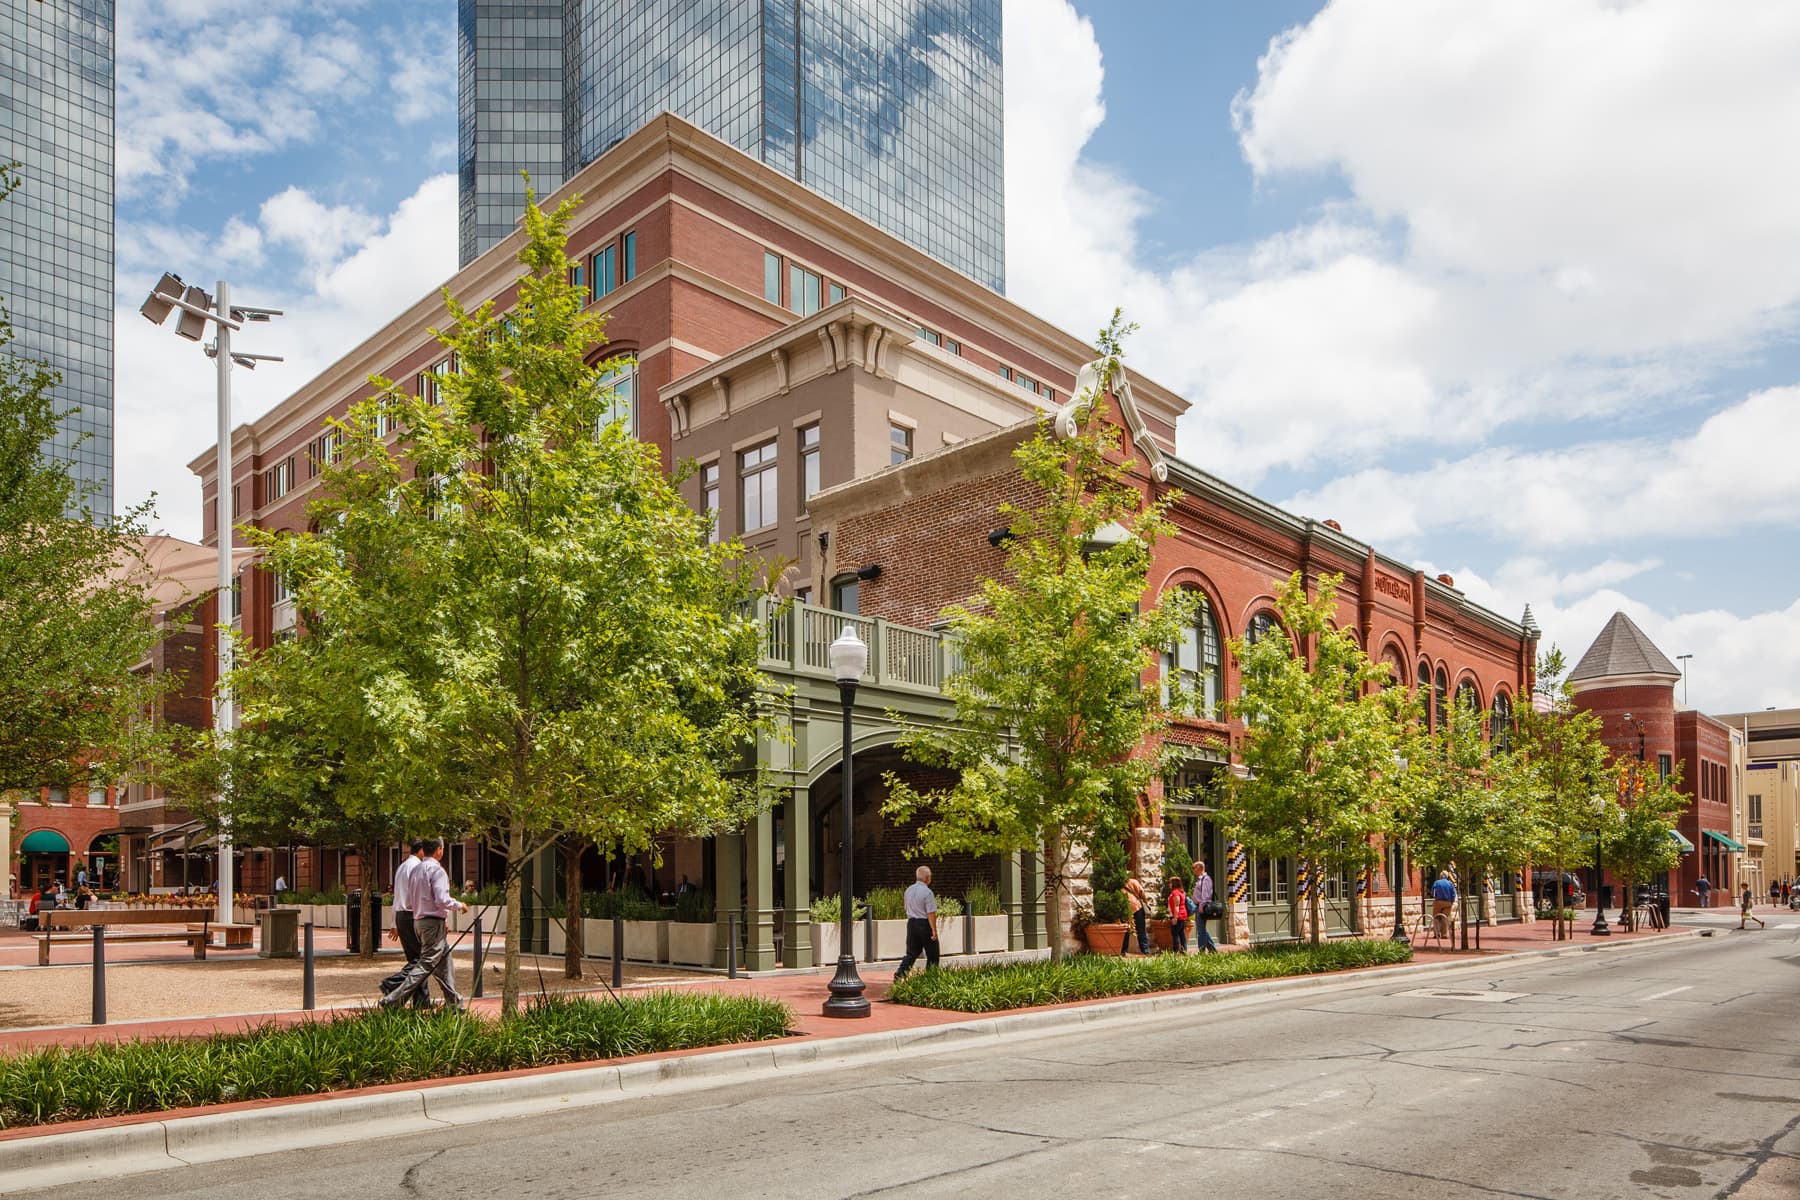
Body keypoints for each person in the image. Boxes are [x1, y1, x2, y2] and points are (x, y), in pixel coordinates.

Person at [381, 838, 468, 1011]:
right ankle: (392, 1000)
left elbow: (409, 898)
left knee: (445, 961)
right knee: (425, 964)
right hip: (431, 922)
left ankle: (454, 1003)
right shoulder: (437, 871)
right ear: (439, 850)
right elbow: (442, 899)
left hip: (418, 921)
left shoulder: (416, 869)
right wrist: (459, 905)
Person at [386, 839, 429, 1009]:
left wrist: (394, 922)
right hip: (412, 915)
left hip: (402, 916)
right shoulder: (416, 867)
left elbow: (397, 896)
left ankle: (422, 1001)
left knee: (416, 959)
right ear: (421, 851)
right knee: (421, 960)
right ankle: (392, 984)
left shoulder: (402, 867)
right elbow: (419, 894)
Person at [894, 865, 939, 979]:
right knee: (932, 954)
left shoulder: (908, 890)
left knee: (911, 953)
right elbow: (931, 913)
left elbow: (906, 908)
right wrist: (933, 930)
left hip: (911, 923)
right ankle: (931, 978)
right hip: (924, 923)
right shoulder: (928, 892)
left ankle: (899, 975)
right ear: (927, 878)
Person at [1190, 861, 1219, 953]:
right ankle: (1212, 950)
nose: (1193, 870)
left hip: (1202, 907)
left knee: (1201, 930)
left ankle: (1202, 951)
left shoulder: (1206, 879)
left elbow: (1205, 895)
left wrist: (1201, 906)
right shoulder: (1200, 879)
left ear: (1199, 868)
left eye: (1194, 868)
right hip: (1198, 906)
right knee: (1201, 929)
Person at [1123, 877, 1151, 955]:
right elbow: (1142, 892)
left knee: (1125, 929)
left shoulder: (1119, 883)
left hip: (1125, 907)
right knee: (1141, 929)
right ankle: (1145, 950)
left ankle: (1123, 950)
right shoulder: (1133, 881)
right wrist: (1146, 902)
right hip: (1137, 906)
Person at [1431, 871, 1459, 938]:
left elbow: (1433, 892)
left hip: (1438, 902)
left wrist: (1435, 897)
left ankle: (1437, 934)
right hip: (1448, 903)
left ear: (1441, 876)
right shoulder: (1450, 883)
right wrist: (1451, 902)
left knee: (1436, 917)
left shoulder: (1437, 882)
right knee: (1445, 918)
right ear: (1447, 876)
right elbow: (1453, 894)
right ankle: (1444, 934)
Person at [1167, 879, 1189, 954]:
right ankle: (1184, 950)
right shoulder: (1181, 892)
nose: (1169, 884)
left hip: (1178, 916)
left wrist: (1175, 918)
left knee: (1175, 934)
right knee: (1181, 933)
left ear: (1174, 884)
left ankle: (1175, 951)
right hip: (1182, 915)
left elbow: (1177, 905)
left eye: (1170, 883)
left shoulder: (1175, 892)